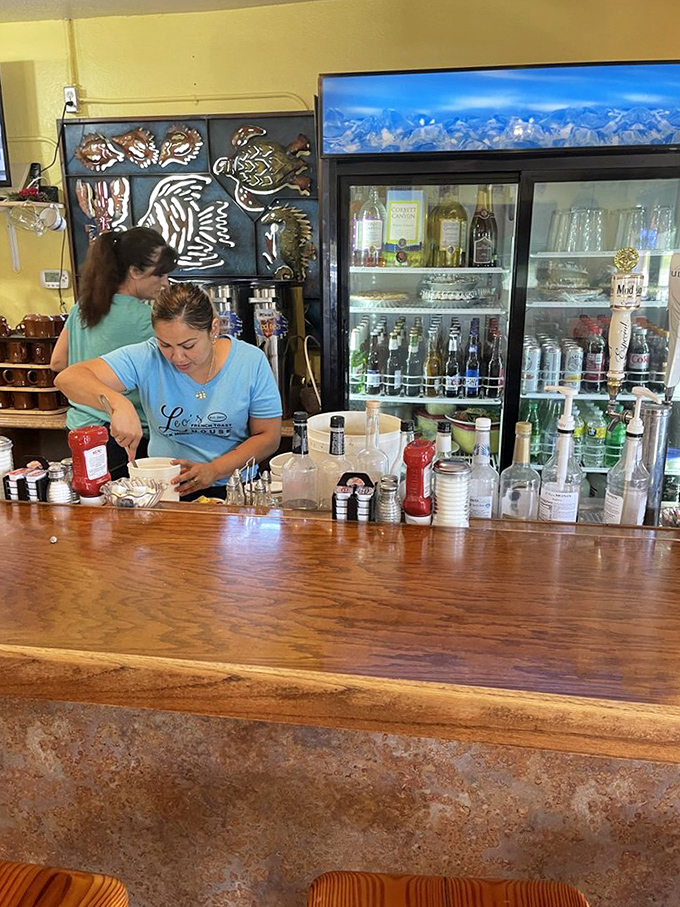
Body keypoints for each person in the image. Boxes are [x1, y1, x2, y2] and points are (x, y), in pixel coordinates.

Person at [55, 282, 282, 499]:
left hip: (233, 489)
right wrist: (117, 403)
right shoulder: (147, 356)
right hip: (164, 491)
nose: (177, 357)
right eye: (165, 345)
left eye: (188, 346)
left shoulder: (249, 361)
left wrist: (214, 470)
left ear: (213, 328)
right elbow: (68, 378)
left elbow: (268, 437)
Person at [50, 227, 179, 479]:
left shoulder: (82, 308)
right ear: (134, 271)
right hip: (125, 436)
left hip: (78, 429)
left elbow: (58, 362)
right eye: (160, 274)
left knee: (92, 504)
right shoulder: (149, 320)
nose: (165, 282)